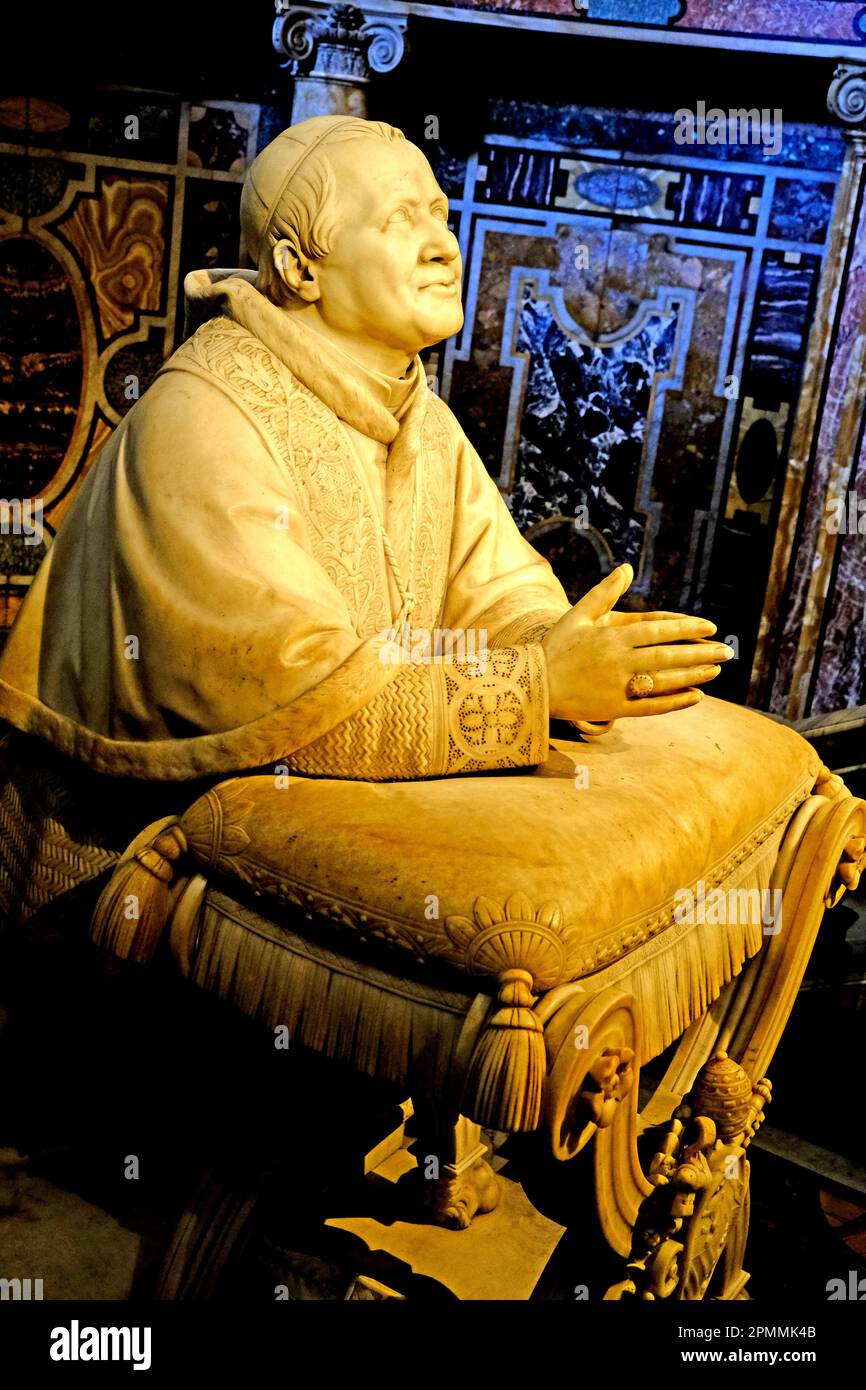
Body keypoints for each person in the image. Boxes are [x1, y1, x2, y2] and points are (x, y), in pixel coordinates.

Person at [0, 115, 730, 784]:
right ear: (299, 269)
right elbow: (282, 705)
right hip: (149, 843)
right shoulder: (202, 416)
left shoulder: (420, 415)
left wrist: (563, 648)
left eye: (440, 215)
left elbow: (495, 594)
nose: (446, 245)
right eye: (399, 219)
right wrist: (531, 688)